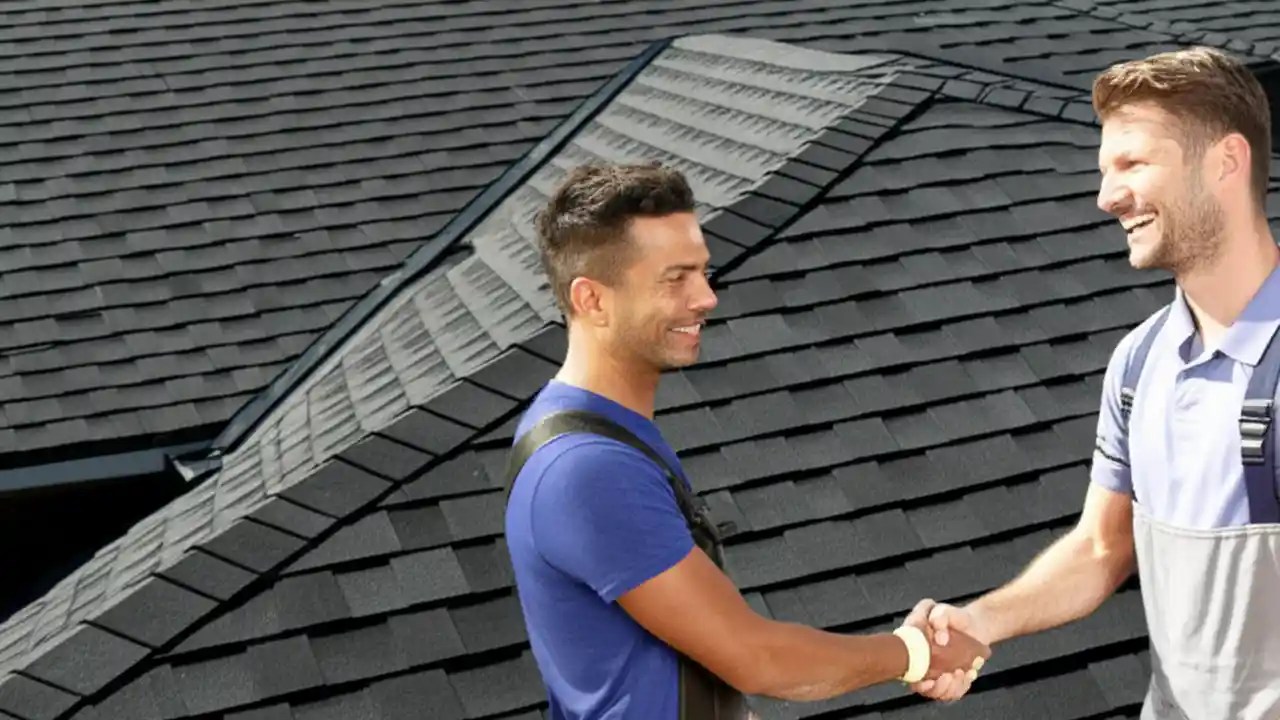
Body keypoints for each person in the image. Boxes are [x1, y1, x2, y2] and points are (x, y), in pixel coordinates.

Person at [503, 161, 990, 720]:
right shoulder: (586, 469)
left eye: (703, 272)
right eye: (675, 278)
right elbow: (756, 659)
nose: (706, 297)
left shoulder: (601, 431)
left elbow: (658, 662)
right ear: (592, 300)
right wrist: (915, 652)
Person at [902, 46, 1280, 719]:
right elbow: (1102, 547)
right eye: (1106, 171)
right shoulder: (1140, 363)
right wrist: (980, 622)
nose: (1107, 196)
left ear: (1226, 162)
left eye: (1132, 163)